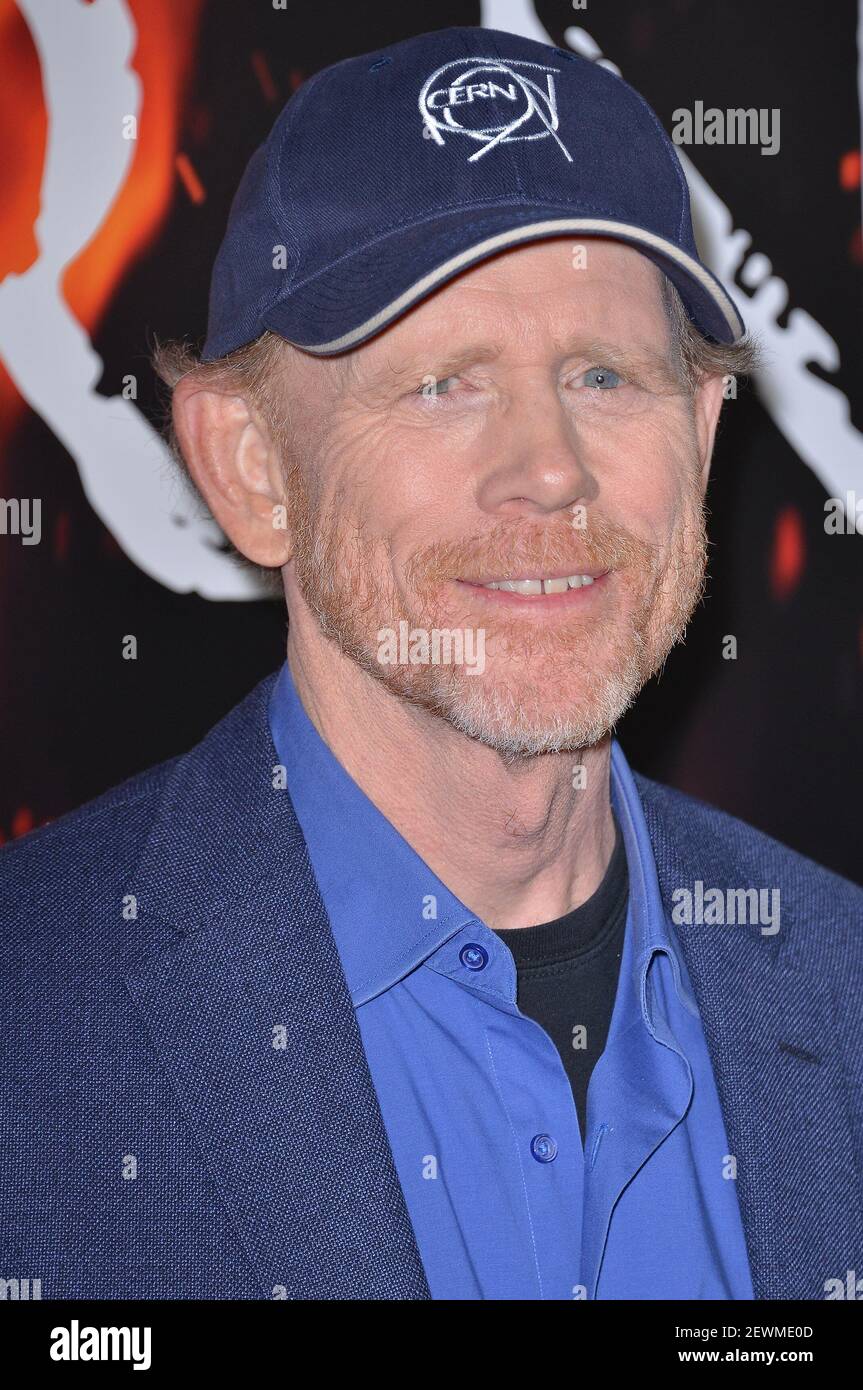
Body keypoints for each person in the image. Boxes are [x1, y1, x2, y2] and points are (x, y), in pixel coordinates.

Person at [2, 26, 861, 1302]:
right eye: (443, 383)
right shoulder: (28, 1017)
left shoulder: (841, 976)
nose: (551, 468)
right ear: (249, 466)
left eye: (603, 373)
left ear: (699, 430)